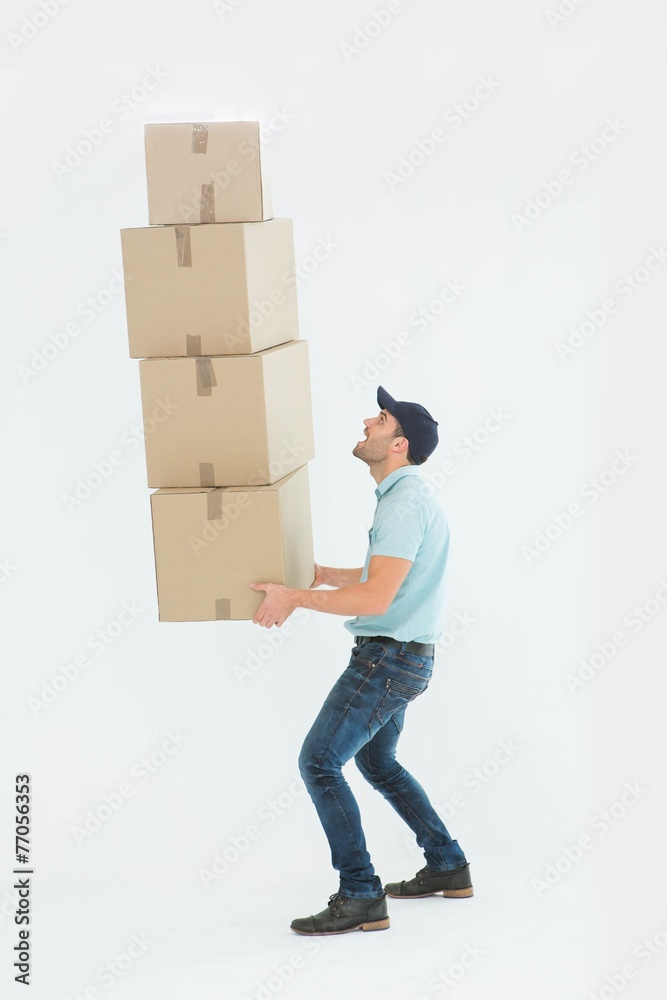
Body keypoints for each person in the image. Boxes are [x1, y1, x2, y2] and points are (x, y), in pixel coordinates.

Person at [249, 385, 472, 935]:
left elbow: (375, 600)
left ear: (399, 444)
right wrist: (326, 575)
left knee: (319, 762)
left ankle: (361, 895)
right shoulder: (406, 498)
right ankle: (447, 864)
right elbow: (388, 577)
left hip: (387, 662)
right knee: (377, 762)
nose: (368, 422)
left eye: (381, 418)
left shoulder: (403, 505)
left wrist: (295, 598)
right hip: (404, 659)